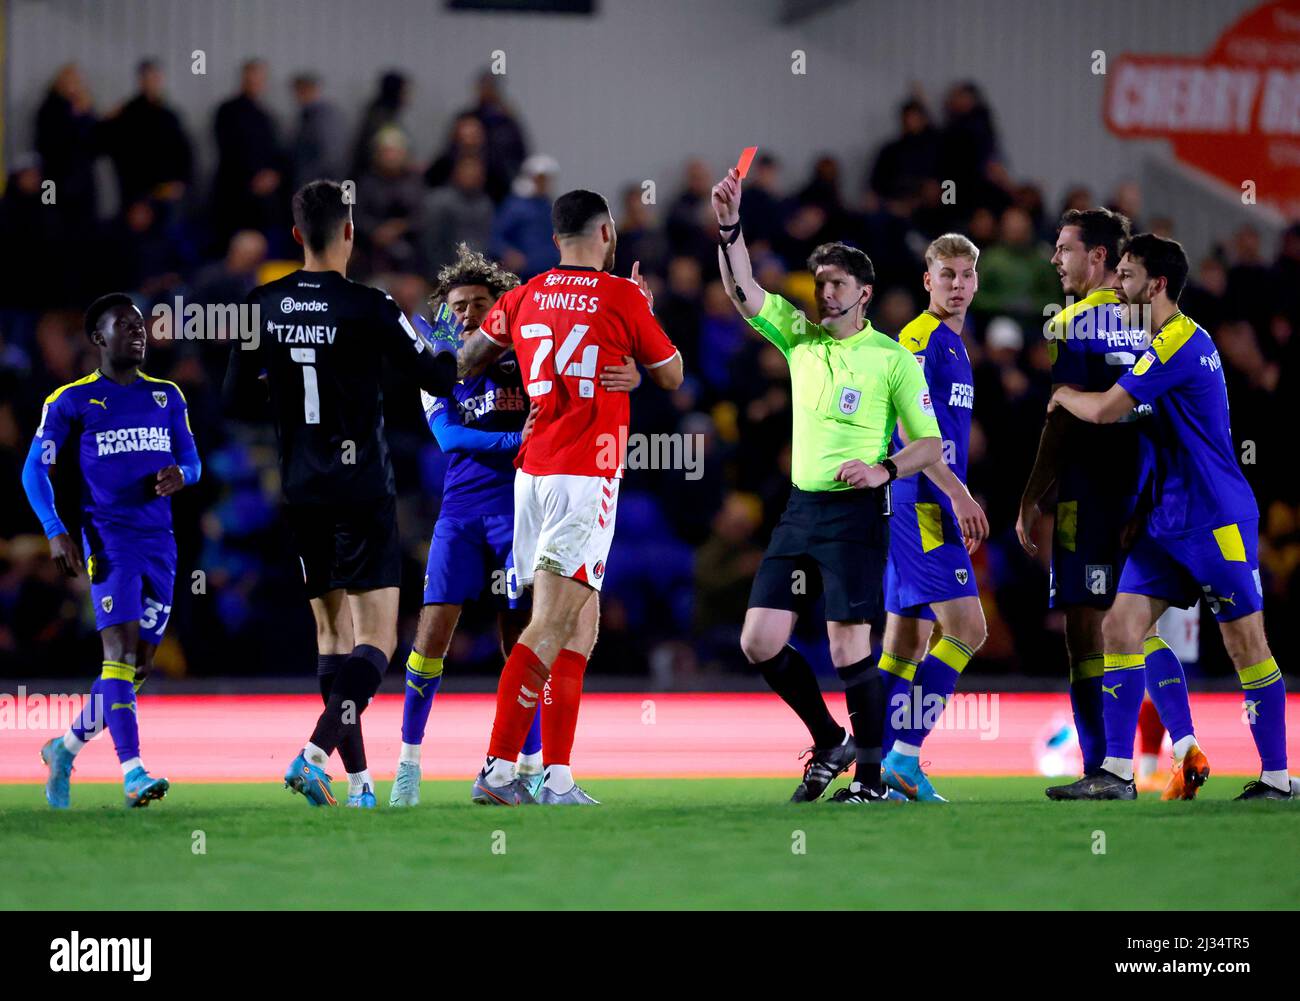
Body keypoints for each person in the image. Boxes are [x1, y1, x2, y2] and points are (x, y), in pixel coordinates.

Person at [712, 165, 942, 804]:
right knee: (758, 640)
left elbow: (928, 444)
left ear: (864, 292)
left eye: (837, 283)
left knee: (847, 648)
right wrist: (730, 225)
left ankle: (869, 780)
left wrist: (883, 469)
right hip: (800, 512)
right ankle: (828, 739)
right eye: (819, 283)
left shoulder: (892, 358)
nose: (825, 292)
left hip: (856, 514)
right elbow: (743, 289)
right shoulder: (799, 339)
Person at [223, 179, 458, 807]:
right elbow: (434, 373)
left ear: (297, 235)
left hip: (301, 489)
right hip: (360, 487)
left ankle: (358, 785)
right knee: (376, 643)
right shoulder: (371, 305)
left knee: (331, 638)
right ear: (349, 232)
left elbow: (233, 400)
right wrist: (460, 341)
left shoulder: (261, 304)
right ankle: (314, 754)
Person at [389, 244, 640, 806]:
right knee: (432, 635)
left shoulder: (529, 355)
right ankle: (409, 762)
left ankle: (525, 767)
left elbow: (576, 394)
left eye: (480, 303)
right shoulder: (440, 366)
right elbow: (450, 439)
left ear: (499, 307)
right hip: (459, 516)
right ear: (445, 310)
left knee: (522, 637)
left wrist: (626, 372)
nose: (469, 314)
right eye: (458, 306)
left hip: (518, 513)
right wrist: (514, 439)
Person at [455, 189, 683, 805]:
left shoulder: (522, 296)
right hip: (587, 473)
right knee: (552, 623)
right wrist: (642, 324)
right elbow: (674, 374)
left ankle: (556, 777)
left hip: (533, 475)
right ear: (607, 232)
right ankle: (498, 770)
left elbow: (467, 361)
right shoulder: (622, 297)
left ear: (555, 239)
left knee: (580, 627)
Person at [1046, 233, 1291, 801]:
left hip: (1215, 518)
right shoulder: (1162, 344)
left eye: (1127, 275)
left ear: (1155, 285)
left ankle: (1276, 777)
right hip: (1168, 520)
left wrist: (1063, 396)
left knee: (1245, 646)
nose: (1118, 285)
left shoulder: (1177, 342)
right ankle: (1114, 772)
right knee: (1121, 626)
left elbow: (1106, 410)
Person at [1019, 209, 1207, 800]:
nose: (1056, 260)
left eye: (1065, 249)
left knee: (1087, 630)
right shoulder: (1154, 323)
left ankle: (1105, 767)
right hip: (1157, 497)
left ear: (1097, 257)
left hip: (1093, 497)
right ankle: (1181, 744)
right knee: (1133, 625)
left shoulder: (1074, 323)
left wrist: (1030, 499)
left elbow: (1060, 421)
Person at [25, 294, 201, 808]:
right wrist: (55, 528)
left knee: (138, 666)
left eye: (141, 324)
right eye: (124, 325)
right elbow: (34, 468)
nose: (138, 331)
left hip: (160, 545)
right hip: (109, 540)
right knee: (119, 657)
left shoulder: (168, 397)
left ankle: (63, 748)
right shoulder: (71, 401)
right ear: (99, 339)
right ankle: (133, 772)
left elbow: (193, 461)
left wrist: (181, 475)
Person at [878, 233, 990, 802]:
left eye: (967, 275)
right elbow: (909, 431)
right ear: (928, 280)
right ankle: (903, 756)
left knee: (904, 643)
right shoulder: (921, 338)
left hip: (917, 502)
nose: (958, 285)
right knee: (968, 629)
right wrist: (959, 496)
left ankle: (877, 767)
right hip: (923, 503)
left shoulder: (954, 342)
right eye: (947, 275)